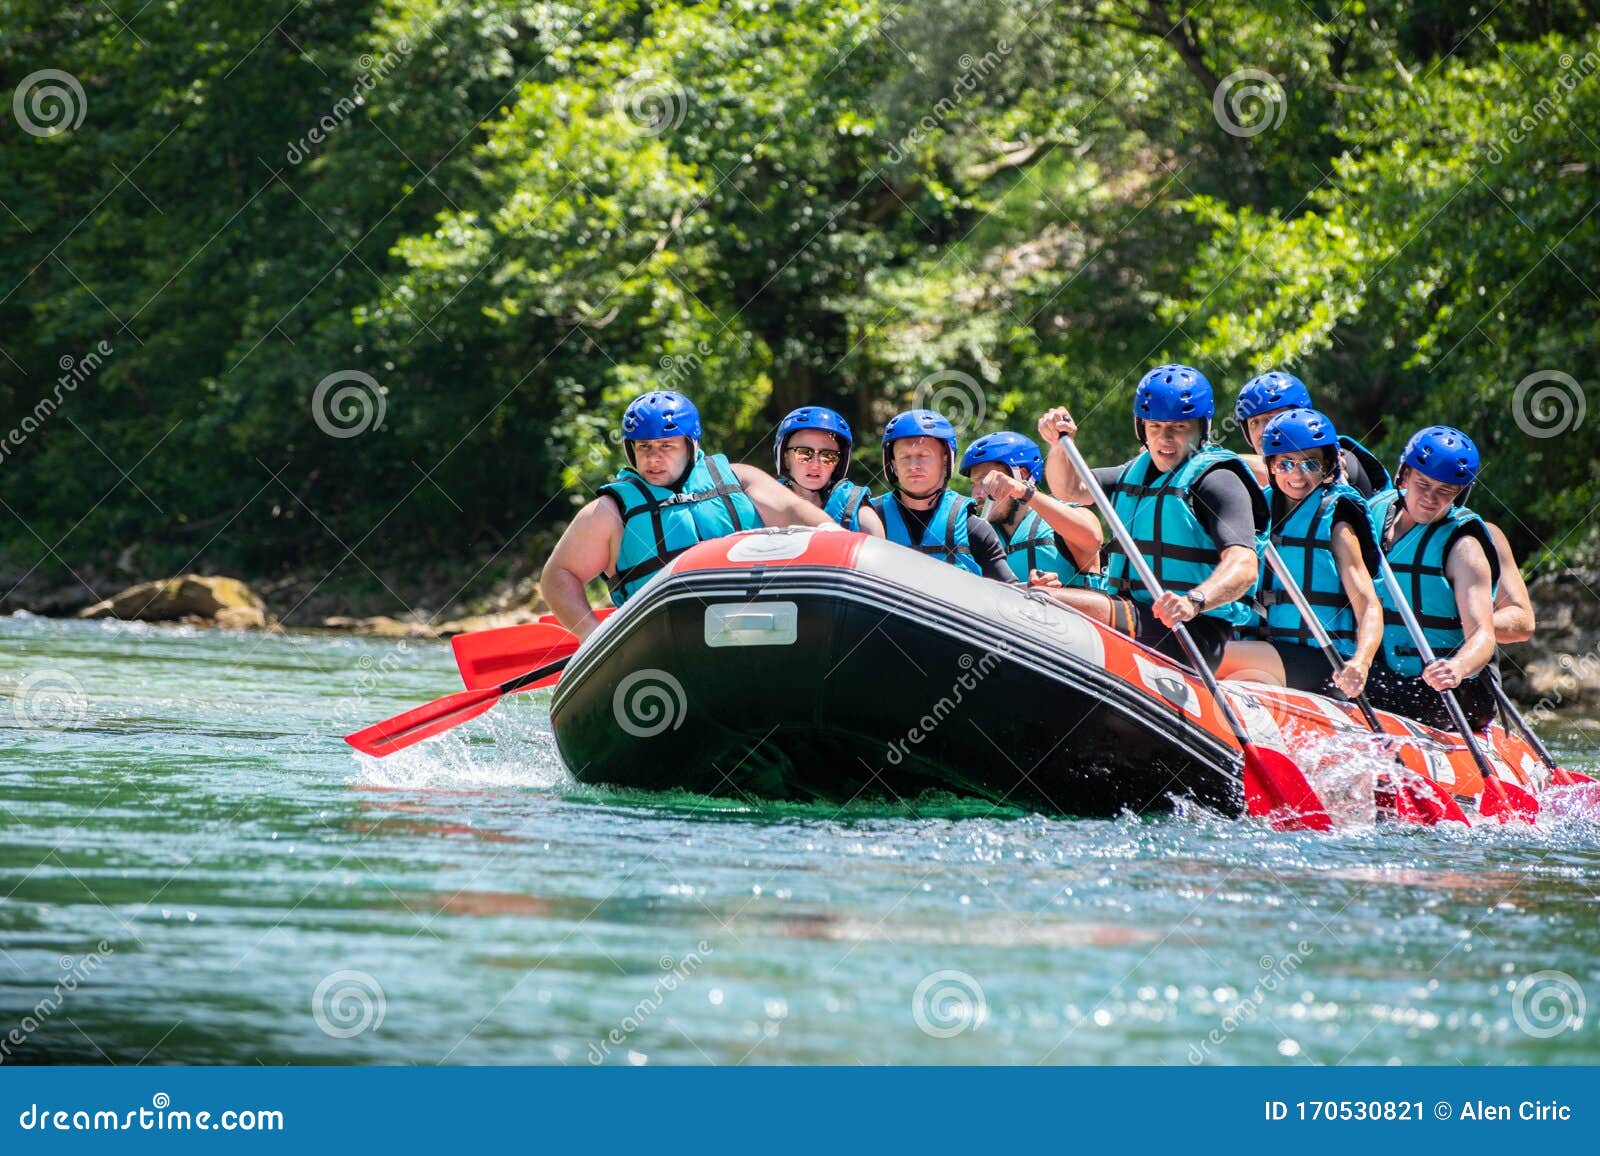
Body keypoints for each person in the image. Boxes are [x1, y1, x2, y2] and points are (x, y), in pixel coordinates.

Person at [542, 390, 840, 639]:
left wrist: (833, 533)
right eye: (643, 447)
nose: (653, 458)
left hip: (760, 626)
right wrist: (591, 632)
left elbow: (794, 511)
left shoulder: (740, 480)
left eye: (666, 446)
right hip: (668, 643)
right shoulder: (610, 511)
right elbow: (558, 575)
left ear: (691, 444)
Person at [1037, 364, 1267, 670]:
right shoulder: (1133, 473)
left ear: (1202, 427)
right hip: (1133, 614)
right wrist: (1058, 446)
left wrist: (1194, 601)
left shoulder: (1218, 479)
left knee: (1045, 601)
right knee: (1045, 596)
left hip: (1191, 632)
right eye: (1155, 427)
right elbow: (1070, 489)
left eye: (1179, 427)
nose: (1165, 438)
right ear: (1141, 428)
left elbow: (1244, 565)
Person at [1216, 409, 1383, 696]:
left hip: (1323, 661)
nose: (1297, 475)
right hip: (1265, 647)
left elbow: (1369, 605)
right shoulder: (1256, 508)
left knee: (1212, 656)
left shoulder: (1338, 522)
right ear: (1270, 465)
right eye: (1286, 464)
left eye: (1310, 464)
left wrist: (1362, 662)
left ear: (1328, 465)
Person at [1364, 426, 1500, 731]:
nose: (1429, 498)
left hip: (1452, 690)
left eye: (1444, 491)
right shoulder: (1370, 515)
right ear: (1404, 476)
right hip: (1386, 674)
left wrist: (1457, 667)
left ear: (1459, 494)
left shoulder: (1464, 548)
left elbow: (1483, 636)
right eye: (1422, 484)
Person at [872, 409, 1018, 582]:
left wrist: (1036, 586)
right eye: (904, 457)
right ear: (893, 465)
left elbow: (1010, 591)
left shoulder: (972, 528)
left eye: (923, 455)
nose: (913, 466)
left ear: (945, 460)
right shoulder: (870, 518)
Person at [958, 431, 1103, 588]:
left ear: (1021, 475)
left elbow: (1093, 539)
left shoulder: (1068, 516)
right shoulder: (979, 534)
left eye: (987, 481)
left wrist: (1022, 491)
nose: (976, 494)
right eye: (975, 484)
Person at [1233, 370, 1391, 498]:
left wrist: (1224, 461)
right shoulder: (1272, 472)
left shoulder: (1337, 458)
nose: (1262, 431)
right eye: (1254, 423)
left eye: (1271, 419)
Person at [773, 406, 884, 536]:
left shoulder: (863, 519)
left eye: (828, 456)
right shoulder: (760, 505)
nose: (815, 465)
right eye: (803, 453)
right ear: (786, 458)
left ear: (838, 463)